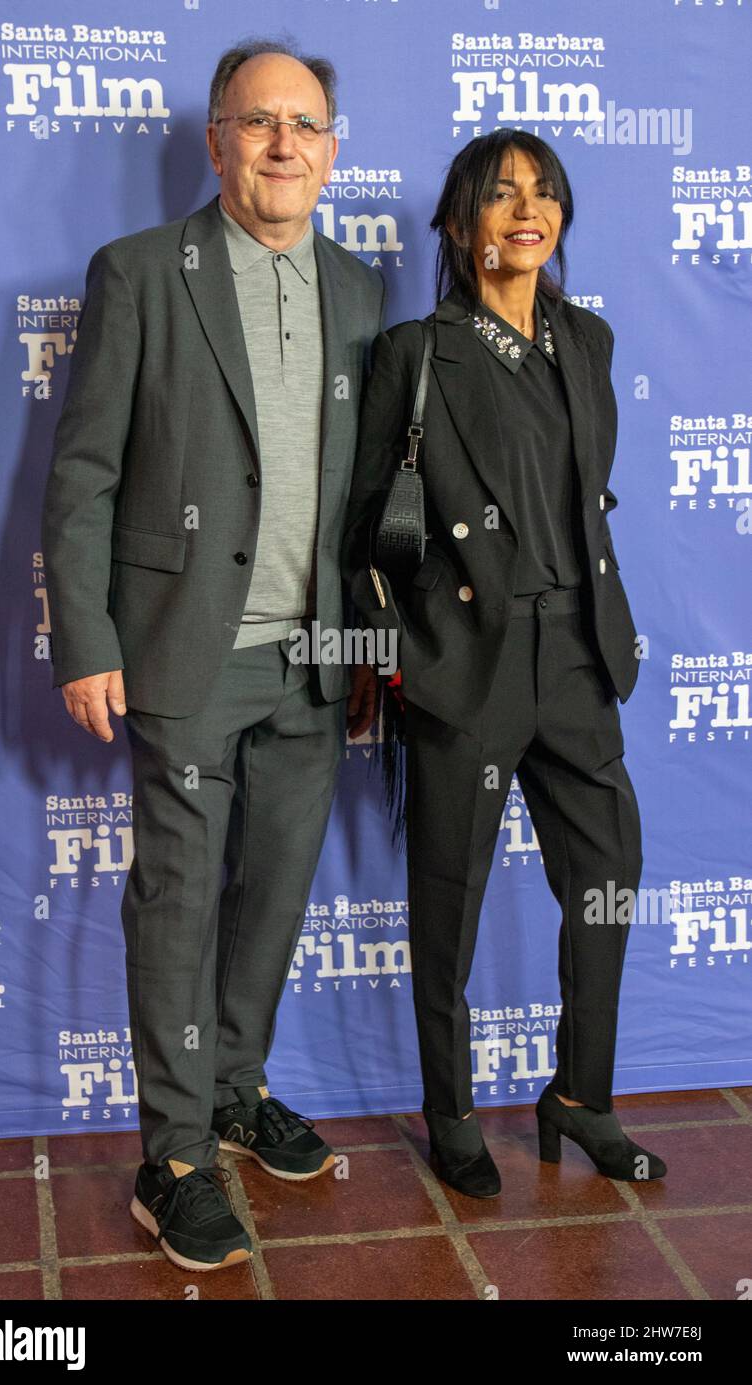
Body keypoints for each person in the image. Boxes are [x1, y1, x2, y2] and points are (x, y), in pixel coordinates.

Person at [41, 38, 381, 1272]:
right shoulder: (140, 273)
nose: (282, 144)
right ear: (215, 141)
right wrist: (87, 637)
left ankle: (236, 1086)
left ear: (331, 149)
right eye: (257, 122)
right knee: (179, 901)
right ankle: (172, 1153)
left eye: (303, 124)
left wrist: (356, 658)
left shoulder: (358, 289)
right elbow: (82, 475)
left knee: (275, 893)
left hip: (312, 657)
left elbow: (360, 501)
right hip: (184, 653)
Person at [342, 131, 666, 1199]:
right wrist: (392, 658)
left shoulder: (589, 341)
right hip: (464, 668)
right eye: (496, 195)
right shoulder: (414, 354)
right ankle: (450, 1110)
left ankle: (581, 1096)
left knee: (607, 879)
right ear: (455, 225)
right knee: (450, 900)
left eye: (541, 193)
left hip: (576, 652)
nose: (523, 210)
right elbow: (364, 534)